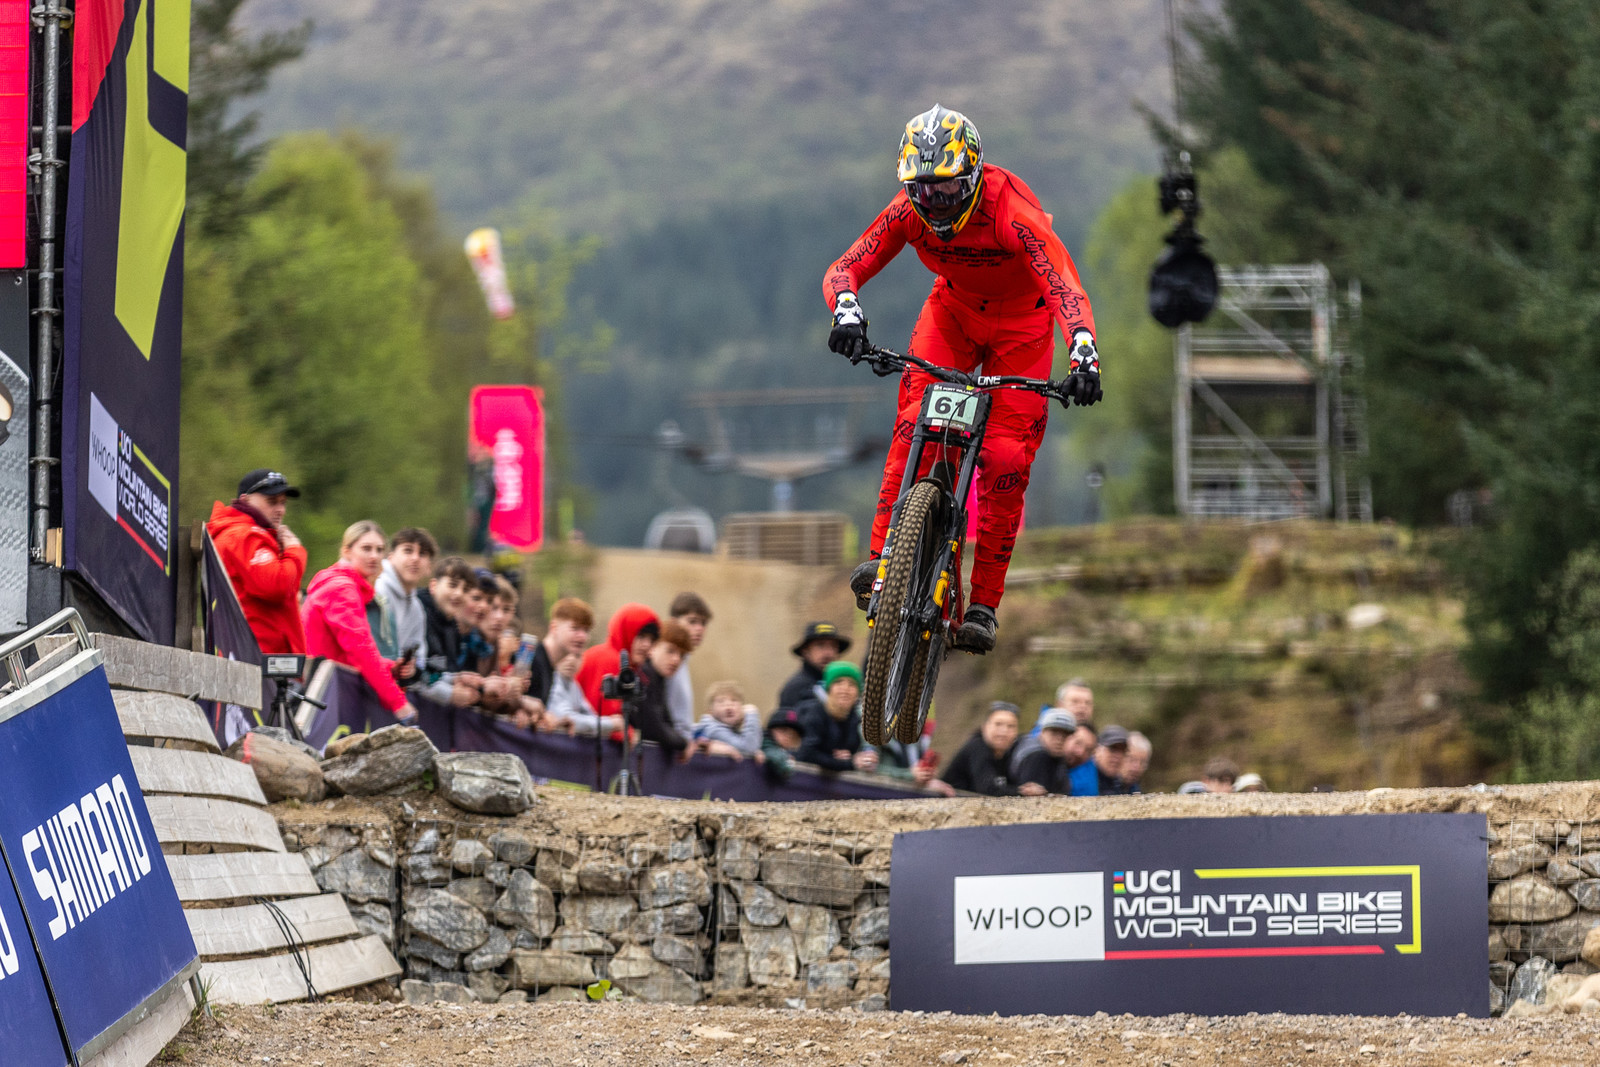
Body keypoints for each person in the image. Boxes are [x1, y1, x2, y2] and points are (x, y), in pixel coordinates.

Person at [827, 104, 1102, 653]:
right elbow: (846, 266)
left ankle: (983, 605)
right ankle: (885, 561)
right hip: (952, 313)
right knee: (912, 424)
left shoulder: (1013, 212)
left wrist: (1083, 351)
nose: (934, 203)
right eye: (922, 191)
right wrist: (847, 310)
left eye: (947, 190)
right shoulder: (908, 209)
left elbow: (1064, 286)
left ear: (974, 176)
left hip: (1022, 327)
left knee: (1005, 457)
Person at [301, 521, 417, 723]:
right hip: (320, 697)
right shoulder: (342, 589)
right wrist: (398, 703)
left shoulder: (345, 585)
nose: (374, 556)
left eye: (379, 550)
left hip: (324, 691)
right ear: (347, 551)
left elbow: (345, 653)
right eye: (366, 548)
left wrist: (390, 668)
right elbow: (360, 649)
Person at [206, 468, 307, 654]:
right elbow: (277, 585)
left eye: (283, 503)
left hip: (251, 654)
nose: (280, 510)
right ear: (245, 500)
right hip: (254, 657)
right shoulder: (244, 535)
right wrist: (295, 551)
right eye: (272, 502)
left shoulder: (244, 532)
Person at [416, 556, 482, 708]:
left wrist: (456, 679)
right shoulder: (418, 612)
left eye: (465, 590)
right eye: (453, 585)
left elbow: (434, 675)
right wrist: (450, 693)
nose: (458, 594)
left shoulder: (452, 627)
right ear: (433, 586)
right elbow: (413, 673)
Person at [576, 603, 660, 719]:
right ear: (626, 632)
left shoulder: (629, 666)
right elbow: (607, 719)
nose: (647, 645)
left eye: (651, 640)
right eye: (641, 636)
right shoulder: (609, 659)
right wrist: (631, 734)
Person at [375, 527, 437, 681]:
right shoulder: (377, 589)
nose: (415, 558)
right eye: (408, 551)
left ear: (429, 567)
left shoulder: (417, 608)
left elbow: (420, 655)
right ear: (390, 557)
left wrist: (412, 669)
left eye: (422, 554)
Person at [795, 661, 879, 773]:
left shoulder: (855, 720)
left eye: (851, 684)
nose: (845, 689)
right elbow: (805, 754)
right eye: (838, 682)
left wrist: (855, 758)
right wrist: (848, 763)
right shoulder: (815, 713)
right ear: (828, 689)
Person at [933, 701, 1022, 796]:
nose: (1004, 731)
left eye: (1011, 726)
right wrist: (1022, 791)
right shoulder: (978, 747)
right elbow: (988, 789)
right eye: (998, 724)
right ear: (985, 727)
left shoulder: (1010, 752)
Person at [633, 620, 695, 755]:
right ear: (652, 649)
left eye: (682, 655)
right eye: (670, 651)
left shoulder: (658, 679)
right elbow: (654, 727)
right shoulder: (644, 677)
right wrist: (683, 744)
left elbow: (666, 721)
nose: (676, 660)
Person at [525, 597, 595, 705]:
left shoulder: (551, 667)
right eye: (575, 628)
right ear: (554, 628)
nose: (582, 636)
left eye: (586, 630)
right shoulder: (531, 658)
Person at [664, 592, 712, 738]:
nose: (699, 629)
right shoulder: (666, 662)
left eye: (703, 623)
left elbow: (681, 721)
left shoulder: (683, 662)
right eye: (692, 621)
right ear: (674, 622)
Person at [1014, 710, 1092, 796]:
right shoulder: (1036, 756)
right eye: (1054, 733)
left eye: (1065, 735)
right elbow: (1030, 799)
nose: (1059, 739)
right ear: (1042, 732)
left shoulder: (1058, 759)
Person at [777, 622, 850, 710]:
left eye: (833, 646)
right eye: (820, 645)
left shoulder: (845, 686)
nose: (828, 653)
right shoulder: (795, 689)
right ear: (805, 651)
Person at [692, 680, 763, 760]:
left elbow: (750, 747)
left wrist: (756, 751)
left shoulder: (734, 731)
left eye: (734, 700)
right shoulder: (712, 729)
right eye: (721, 702)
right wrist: (751, 714)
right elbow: (748, 748)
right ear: (710, 712)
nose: (728, 705)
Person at [1093, 724, 1138, 795]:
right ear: (1097, 750)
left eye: (1123, 751)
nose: (1118, 756)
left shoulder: (1122, 784)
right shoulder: (1085, 778)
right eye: (1112, 749)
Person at [762, 708, 805, 781]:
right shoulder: (766, 743)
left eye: (793, 735)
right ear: (771, 730)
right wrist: (788, 765)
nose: (788, 736)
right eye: (783, 730)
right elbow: (775, 757)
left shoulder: (786, 752)